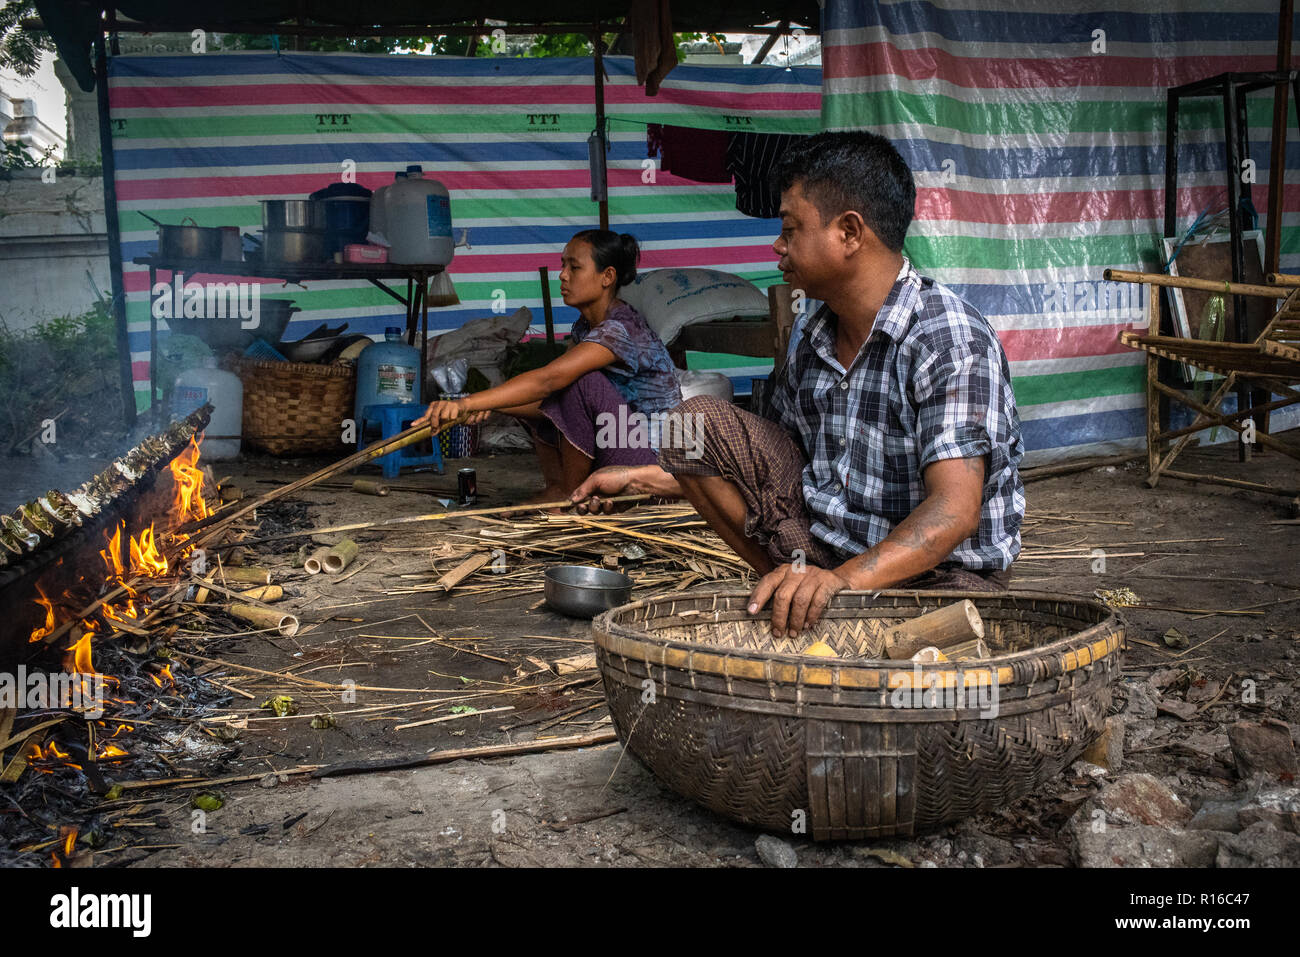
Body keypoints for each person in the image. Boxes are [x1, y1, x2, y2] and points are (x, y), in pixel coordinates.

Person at [570, 131, 1025, 638]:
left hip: (934, 577)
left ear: (849, 233)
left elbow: (953, 512)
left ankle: (816, 600)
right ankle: (793, 592)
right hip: (829, 552)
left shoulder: (948, 339)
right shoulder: (813, 331)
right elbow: (763, 465)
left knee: (937, 644)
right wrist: (642, 479)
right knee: (687, 428)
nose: (777, 246)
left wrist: (840, 582)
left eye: (790, 228)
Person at [416, 229, 681, 503]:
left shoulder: (620, 329)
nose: (563, 275)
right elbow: (549, 400)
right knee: (543, 398)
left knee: (578, 383)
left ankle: (571, 495)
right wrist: (486, 405)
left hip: (652, 466)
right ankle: (558, 489)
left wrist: (467, 403)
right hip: (617, 445)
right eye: (563, 265)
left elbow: (549, 380)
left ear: (608, 276)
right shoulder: (584, 328)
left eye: (574, 267)